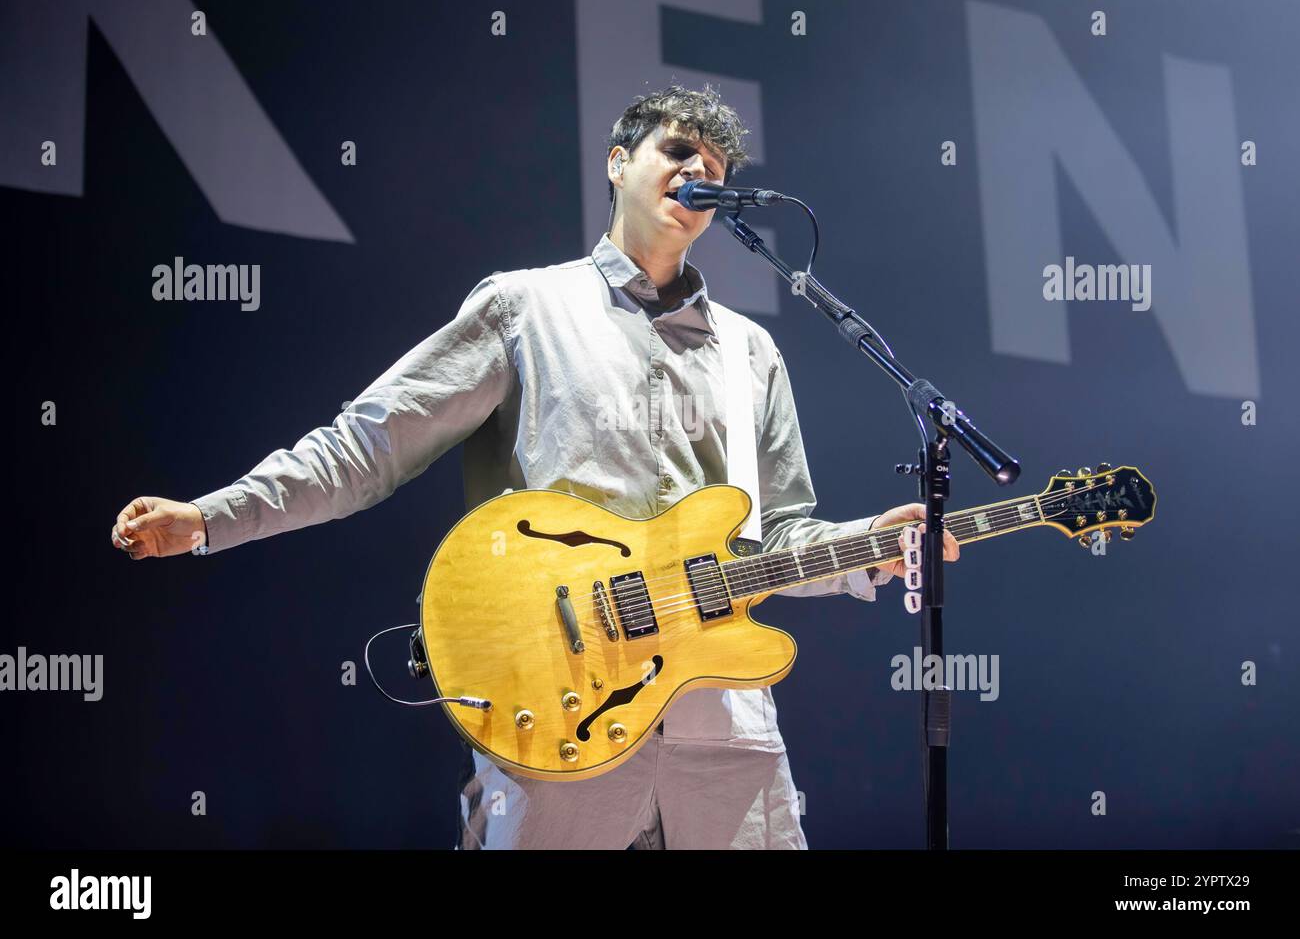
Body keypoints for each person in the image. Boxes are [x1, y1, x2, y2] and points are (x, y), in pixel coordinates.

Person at [109, 84, 958, 849]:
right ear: (618, 163)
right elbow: (368, 446)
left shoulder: (751, 351)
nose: (698, 172)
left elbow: (779, 536)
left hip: (724, 735)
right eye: (676, 152)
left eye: (715, 166)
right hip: (561, 711)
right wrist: (214, 516)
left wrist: (870, 541)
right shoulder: (525, 307)